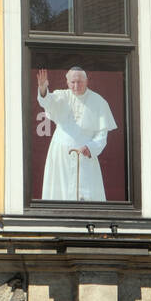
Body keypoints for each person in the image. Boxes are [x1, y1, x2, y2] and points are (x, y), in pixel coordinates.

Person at [36, 67, 117, 201]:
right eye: (72, 82)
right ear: (67, 83)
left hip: (85, 156)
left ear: (86, 81)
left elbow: (102, 135)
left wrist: (90, 148)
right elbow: (47, 102)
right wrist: (43, 89)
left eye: (80, 82)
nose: (76, 85)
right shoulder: (61, 96)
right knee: (59, 193)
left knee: (85, 196)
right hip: (60, 157)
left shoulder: (99, 102)